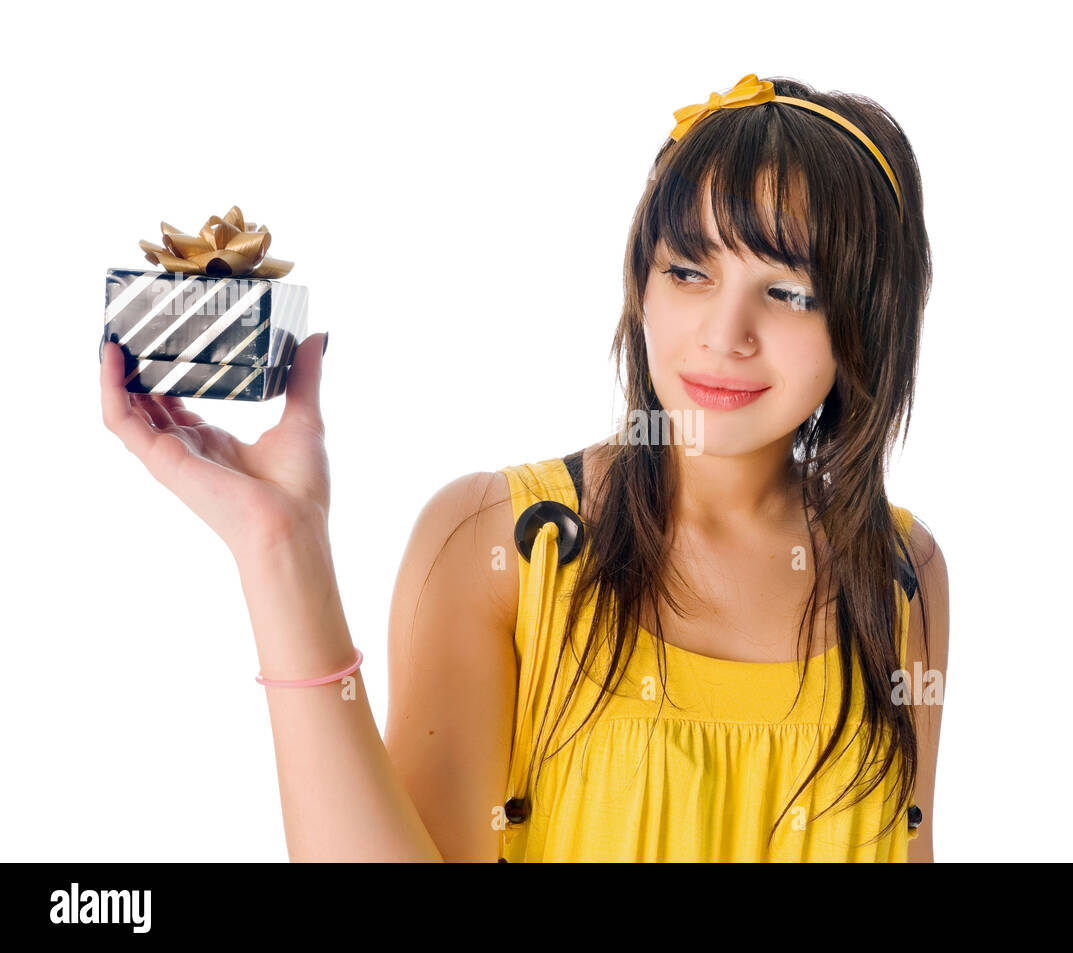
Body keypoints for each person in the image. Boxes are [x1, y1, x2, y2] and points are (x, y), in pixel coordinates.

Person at [100, 73, 948, 862]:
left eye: (789, 290)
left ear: (868, 318)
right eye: (689, 271)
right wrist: (278, 546)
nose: (725, 334)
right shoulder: (503, 542)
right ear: (641, 285)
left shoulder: (904, 574)